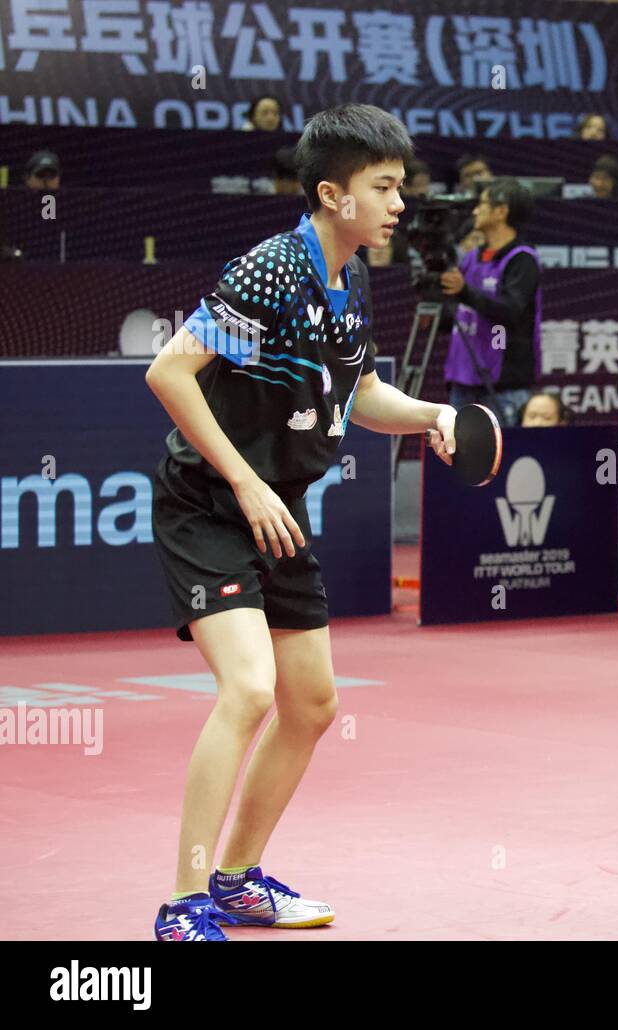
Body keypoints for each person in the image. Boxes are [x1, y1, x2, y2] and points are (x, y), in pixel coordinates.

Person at [145, 103, 456, 942]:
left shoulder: (348, 276)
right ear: (332, 192)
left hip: (279, 510)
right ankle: (182, 903)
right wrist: (244, 482)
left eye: (402, 187)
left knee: (312, 705)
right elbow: (170, 371)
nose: (399, 204)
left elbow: (357, 397)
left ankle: (238, 880)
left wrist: (433, 414)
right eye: (383, 188)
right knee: (248, 689)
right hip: (212, 501)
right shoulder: (271, 270)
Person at [439, 177, 541, 428]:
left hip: (503, 384)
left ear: (501, 211)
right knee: (458, 455)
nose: (475, 210)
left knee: (506, 459)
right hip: (463, 379)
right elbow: (455, 313)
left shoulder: (522, 259)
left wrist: (464, 291)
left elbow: (511, 311)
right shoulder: (472, 257)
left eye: (482, 204)